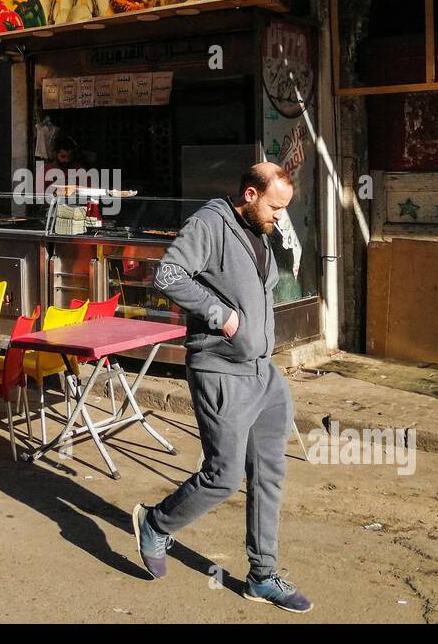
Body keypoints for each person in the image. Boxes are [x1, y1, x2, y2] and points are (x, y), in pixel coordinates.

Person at [132, 161, 312, 613]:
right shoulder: (210, 223)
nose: (279, 216)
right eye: (275, 207)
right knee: (224, 476)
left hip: (263, 373)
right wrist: (223, 318)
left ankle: (262, 575)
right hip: (221, 371)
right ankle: (156, 523)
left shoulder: (260, 231)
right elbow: (169, 274)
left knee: (270, 475)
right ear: (250, 195)